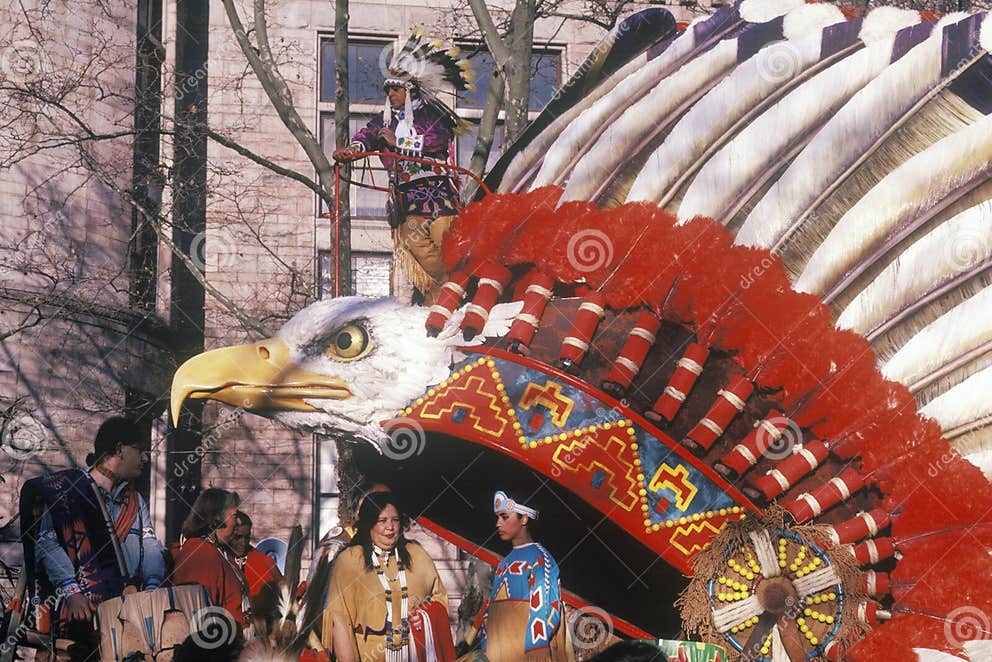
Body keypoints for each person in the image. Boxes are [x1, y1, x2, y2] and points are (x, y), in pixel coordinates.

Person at [332, 33, 473, 302]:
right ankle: (448, 291)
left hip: (440, 195)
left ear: (409, 90)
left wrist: (398, 140)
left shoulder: (434, 117)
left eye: (396, 89)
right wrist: (351, 151)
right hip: (406, 198)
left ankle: (447, 294)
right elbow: (365, 137)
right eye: (388, 90)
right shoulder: (382, 121)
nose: (390, 94)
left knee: (446, 241)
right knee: (413, 241)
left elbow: (437, 139)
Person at [20, 416, 165, 654]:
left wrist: (151, 588)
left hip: (128, 618)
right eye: (139, 450)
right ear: (119, 449)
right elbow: (47, 545)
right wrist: (72, 592)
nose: (145, 458)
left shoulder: (136, 502)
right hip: (79, 620)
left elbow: (150, 547)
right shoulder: (66, 492)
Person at [326, 491, 453, 661]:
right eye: (382, 521)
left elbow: (440, 598)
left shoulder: (417, 555)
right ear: (369, 524)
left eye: (395, 520)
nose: (390, 527)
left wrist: (425, 617)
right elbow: (339, 620)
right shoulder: (350, 561)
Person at [478, 491, 574, 662]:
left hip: (527, 654)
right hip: (498, 653)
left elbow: (549, 607)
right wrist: (485, 648)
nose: (498, 523)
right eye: (498, 517)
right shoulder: (503, 564)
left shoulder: (540, 559)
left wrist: (535, 647)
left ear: (524, 519)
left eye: (505, 517)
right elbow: (490, 611)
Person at [169, 488, 251, 636]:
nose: (238, 521)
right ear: (216, 519)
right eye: (234, 516)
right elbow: (201, 616)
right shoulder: (200, 553)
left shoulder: (222, 551)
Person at [230, 510, 283, 626]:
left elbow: (283, 592)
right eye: (238, 537)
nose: (243, 542)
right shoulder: (219, 556)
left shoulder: (264, 561)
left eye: (247, 537)